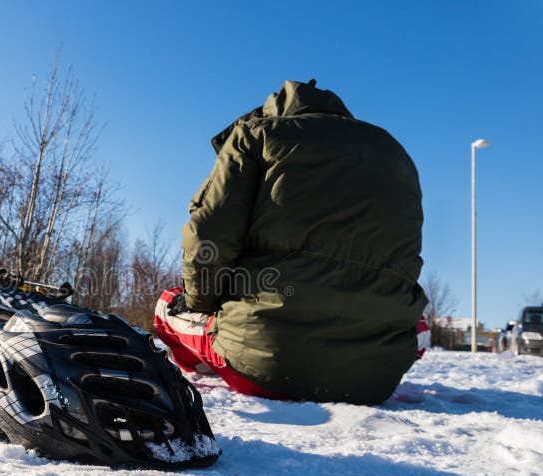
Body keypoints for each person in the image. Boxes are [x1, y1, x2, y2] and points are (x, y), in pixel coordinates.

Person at [154, 79, 428, 405]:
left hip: (264, 367)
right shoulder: (396, 155)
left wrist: (201, 304)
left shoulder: (256, 135)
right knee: (418, 324)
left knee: (167, 306)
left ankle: (207, 366)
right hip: (375, 380)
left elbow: (208, 238)